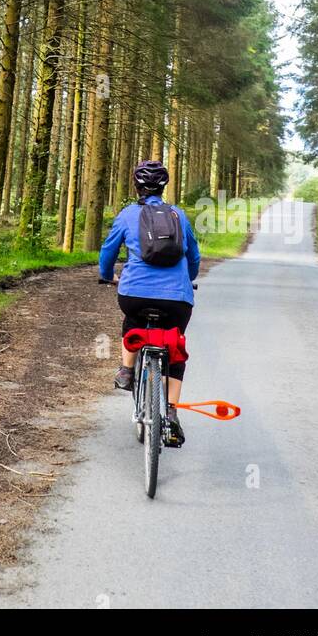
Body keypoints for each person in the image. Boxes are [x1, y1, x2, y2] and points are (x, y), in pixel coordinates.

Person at [98, 158, 200, 447]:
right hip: (178, 299)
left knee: (131, 321)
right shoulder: (179, 214)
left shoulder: (128, 214)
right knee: (176, 347)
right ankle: (171, 414)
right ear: (164, 187)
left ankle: (127, 371)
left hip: (134, 294)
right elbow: (193, 256)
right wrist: (187, 279)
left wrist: (107, 276)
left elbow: (108, 251)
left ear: (137, 186)